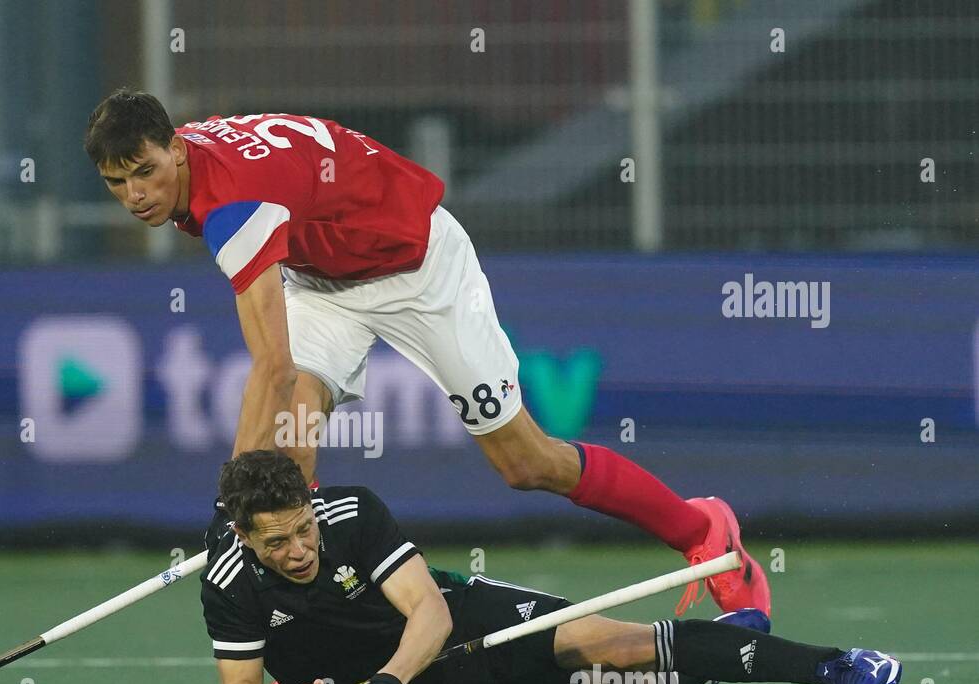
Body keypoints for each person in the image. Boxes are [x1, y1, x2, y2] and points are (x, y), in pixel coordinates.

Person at [85, 89, 769, 618]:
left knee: (527, 463)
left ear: (176, 148)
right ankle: (313, 644)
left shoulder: (232, 202)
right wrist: (251, 501)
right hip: (324, 281)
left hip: (418, 266)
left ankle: (703, 531)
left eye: (144, 173)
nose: (135, 196)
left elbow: (271, 366)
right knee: (290, 468)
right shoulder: (190, 160)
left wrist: (227, 502)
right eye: (116, 183)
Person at [201, 451, 900, 684]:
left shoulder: (348, 514)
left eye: (301, 531)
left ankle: (834, 667)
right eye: (275, 543)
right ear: (242, 534)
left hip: (455, 628)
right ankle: (735, 646)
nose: (296, 551)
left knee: (621, 649)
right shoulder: (229, 581)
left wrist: (387, 679)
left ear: (309, 505)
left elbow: (429, 610)